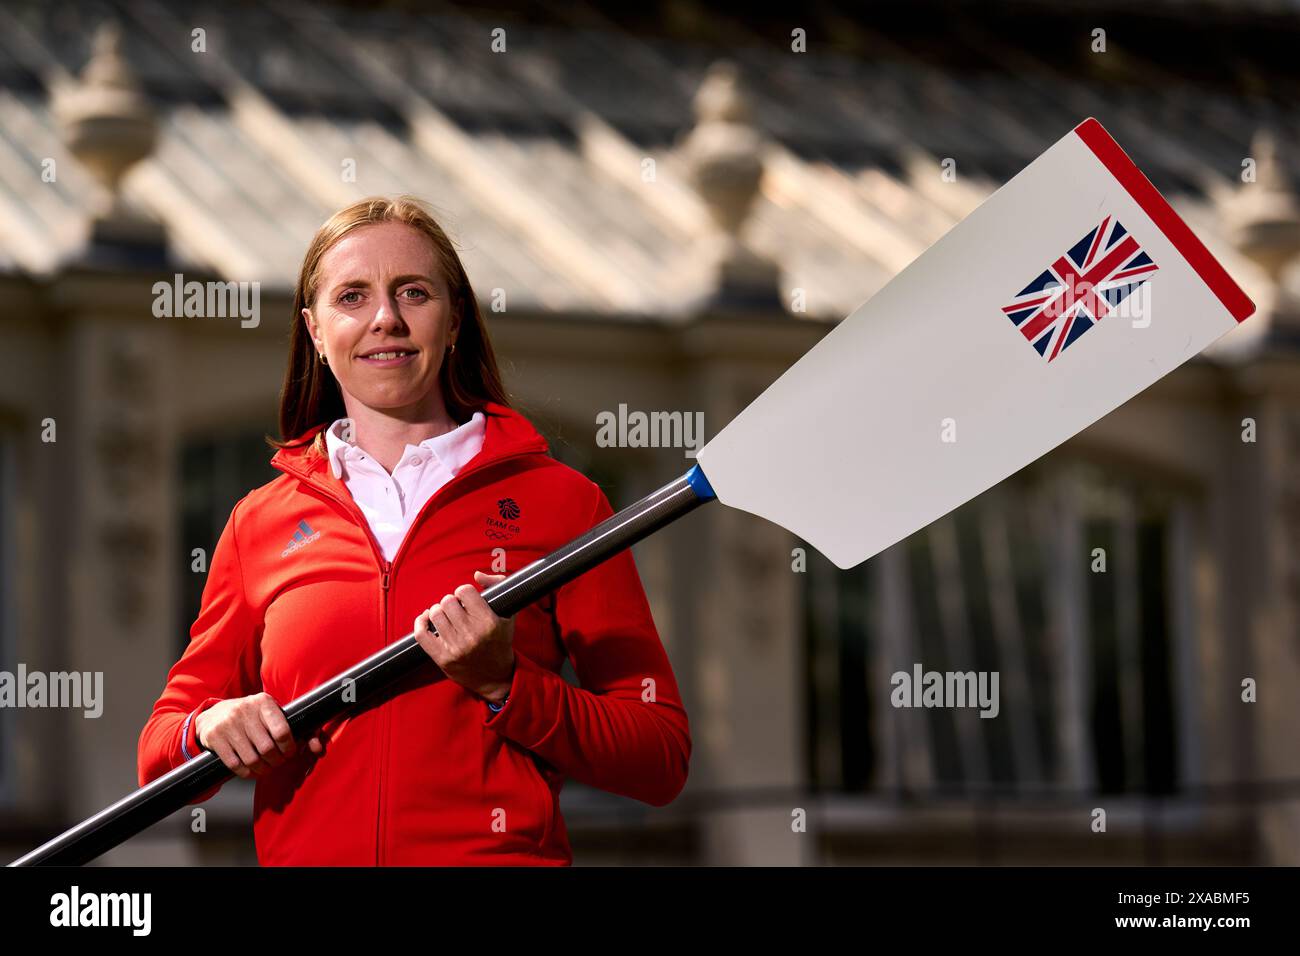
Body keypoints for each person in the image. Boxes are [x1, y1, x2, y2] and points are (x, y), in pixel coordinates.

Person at [137, 196, 691, 865]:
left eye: (413, 292)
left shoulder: (563, 504)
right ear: (314, 330)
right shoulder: (260, 523)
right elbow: (160, 750)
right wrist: (210, 728)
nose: (385, 320)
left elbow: (659, 757)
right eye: (352, 297)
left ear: (454, 317)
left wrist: (507, 684)